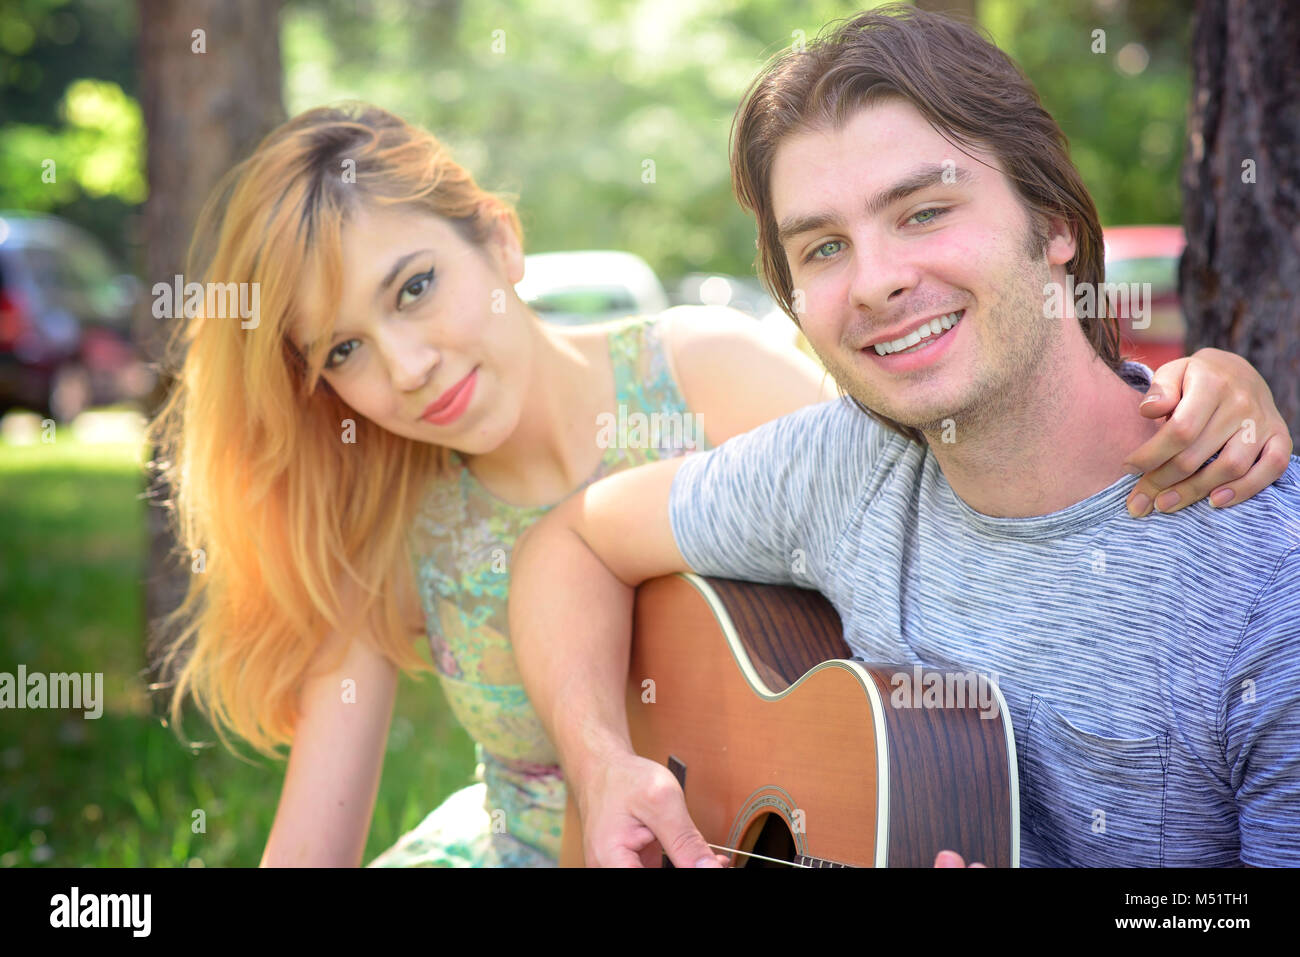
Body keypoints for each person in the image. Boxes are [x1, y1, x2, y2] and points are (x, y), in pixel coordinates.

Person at [147, 95, 1285, 868]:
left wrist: (1179, 382)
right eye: (339, 349)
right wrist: (596, 774)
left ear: (497, 242)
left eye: (411, 289)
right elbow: (314, 840)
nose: (404, 367)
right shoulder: (385, 513)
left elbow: (933, 475)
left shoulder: (698, 375)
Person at [507, 5, 1300, 868]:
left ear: (1056, 221)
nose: (876, 282)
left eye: (923, 212)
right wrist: (599, 767)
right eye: (823, 248)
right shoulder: (844, 466)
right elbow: (572, 538)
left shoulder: (1267, 585)